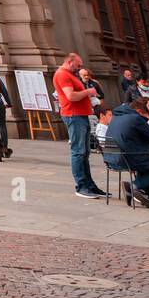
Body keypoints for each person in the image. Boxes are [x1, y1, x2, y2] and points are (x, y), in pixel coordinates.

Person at [53, 53, 105, 198]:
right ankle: (81, 186)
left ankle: (90, 185)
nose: (79, 68)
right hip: (73, 115)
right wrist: (88, 91)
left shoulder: (70, 74)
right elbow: (71, 96)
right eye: (78, 65)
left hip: (80, 115)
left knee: (84, 152)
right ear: (70, 62)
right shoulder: (63, 75)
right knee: (78, 151)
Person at [104, 98, 149, 207]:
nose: (146, 121)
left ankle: (146, 194)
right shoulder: (136, 118)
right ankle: (132, 186)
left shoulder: (116, 118)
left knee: (147, 167)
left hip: (111, 158)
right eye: (146, 119)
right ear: (140, 112)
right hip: (129, 159)